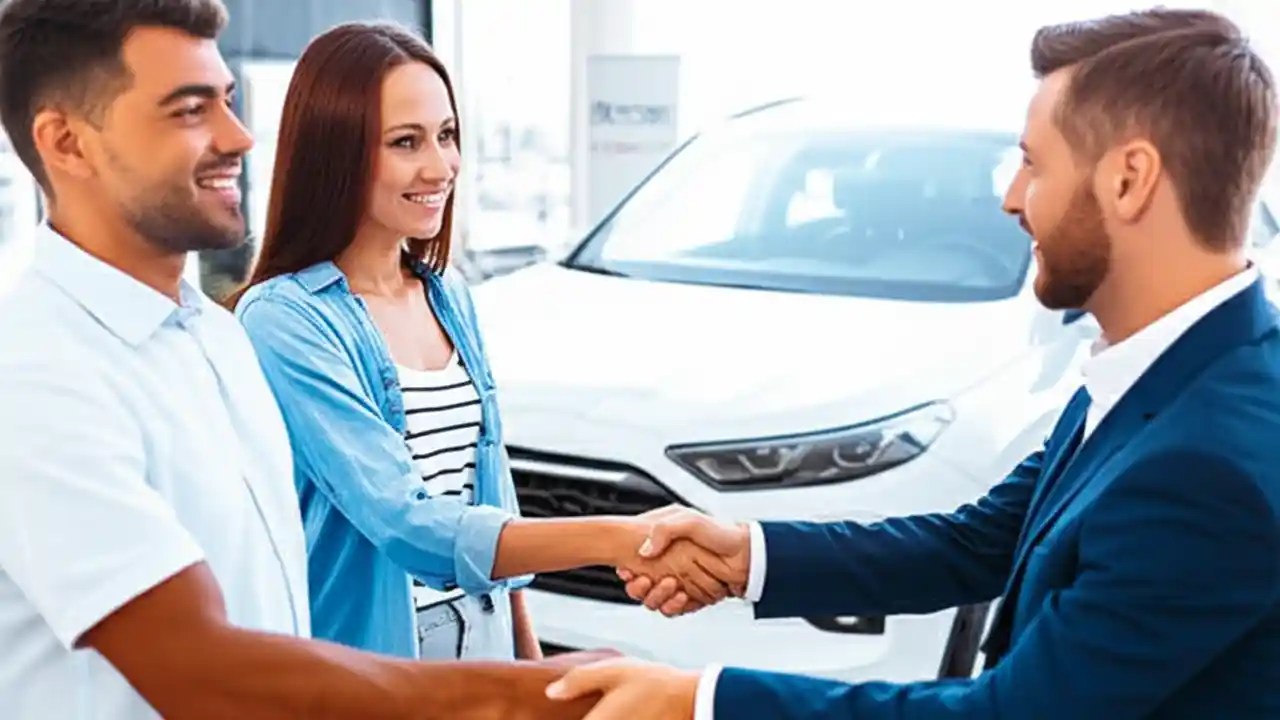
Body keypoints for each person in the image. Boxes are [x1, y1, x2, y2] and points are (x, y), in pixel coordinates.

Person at [545, 8, 1280, 720]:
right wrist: (746, 555)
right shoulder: (1172, 369)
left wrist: (698, 701)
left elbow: (1019, 713)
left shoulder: (1213, 459)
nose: (1010, 199)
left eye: (1032, 165)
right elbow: (979, 541)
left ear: (1129, 180)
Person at [0, 1, 614, 718]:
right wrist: (521, 693)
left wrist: (520, 660)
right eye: (189, 110)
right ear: (67, 144)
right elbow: (203, 672)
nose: (240, 136)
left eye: (228, 102)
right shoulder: (32, 370)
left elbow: (277, 616)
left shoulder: (215, 339)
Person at [232, 21, 732, 663]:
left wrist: (529, 669)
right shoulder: (283, 321)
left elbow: (490, 495)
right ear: (338, 152)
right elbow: (405, 523)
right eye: (405, 142)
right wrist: (616, 538)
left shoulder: (447, 294)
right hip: (380, 659)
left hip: (484, 633)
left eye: (446, 136)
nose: (440, 166)